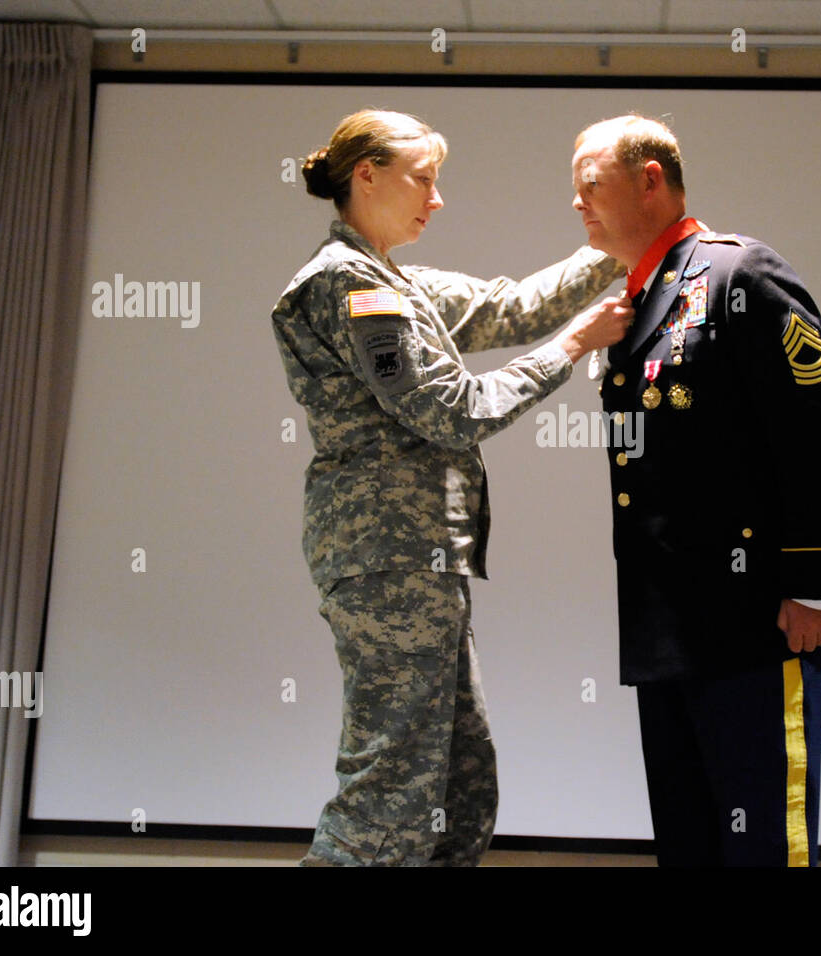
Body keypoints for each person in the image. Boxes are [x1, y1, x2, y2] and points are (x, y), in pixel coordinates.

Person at [271, 109, 632, 866]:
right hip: (387, 559)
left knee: (458, 788)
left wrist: (612, 244)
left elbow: (511, 306)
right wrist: (572, 347)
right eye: (424, 179)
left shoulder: (392, 281)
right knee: (392, 793)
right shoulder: (351, 287)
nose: (436, 200)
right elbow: (447, 407)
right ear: (365, 175)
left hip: (422, 560)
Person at [570, 114, 821, 866]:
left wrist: (819, 585)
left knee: (766, 847)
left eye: (591, 185)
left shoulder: (737, 273)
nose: (578, 203)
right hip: (669, 634)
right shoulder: (638, 306)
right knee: (691, 847)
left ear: (650, 180)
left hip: (757, 624)